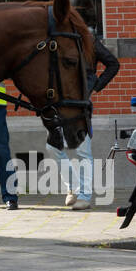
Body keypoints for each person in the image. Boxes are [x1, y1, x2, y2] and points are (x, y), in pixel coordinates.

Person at [49, 31, 120, 211]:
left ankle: (85, 195)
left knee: (83, 152)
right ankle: (72, 186)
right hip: (61, 102)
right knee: (53, 147)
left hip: (80, 104)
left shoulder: (90, 42)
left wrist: (96, 85)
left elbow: (113, 64)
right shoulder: (59, 41)